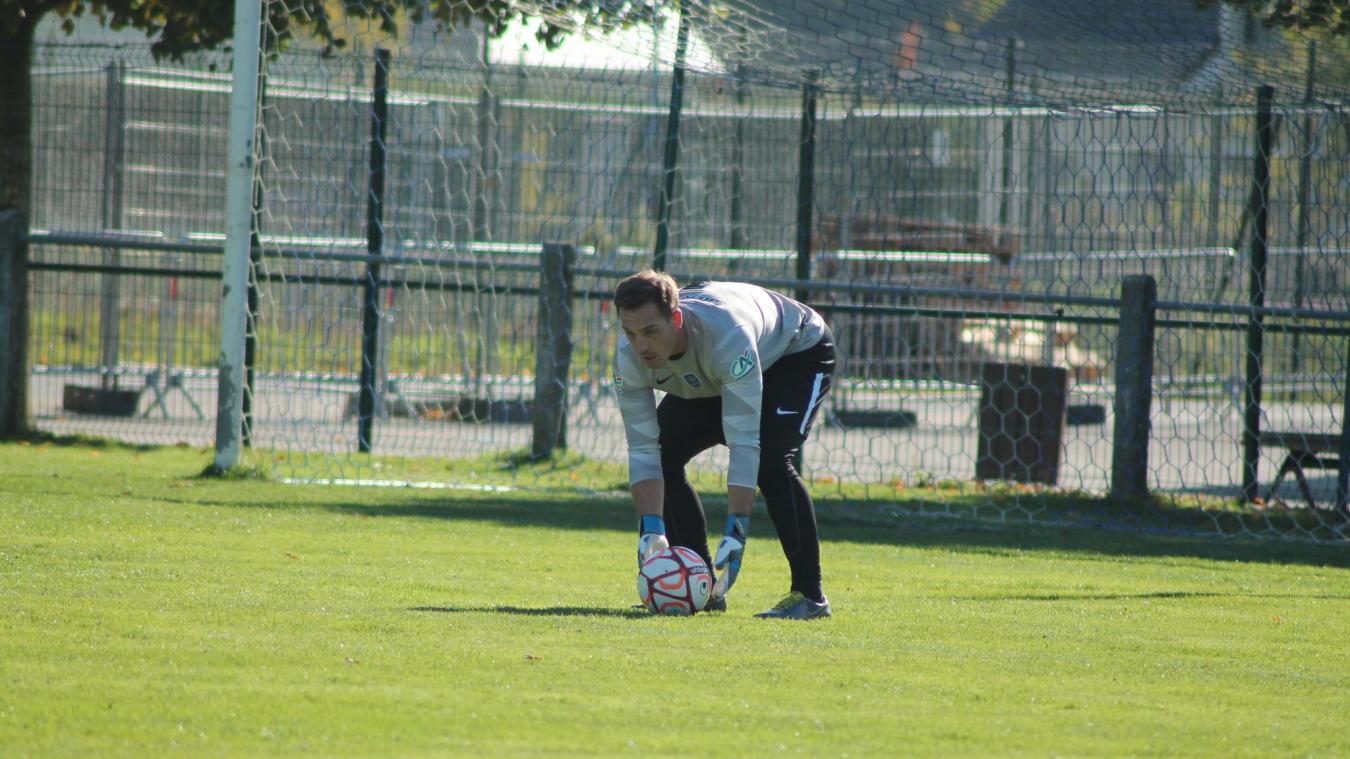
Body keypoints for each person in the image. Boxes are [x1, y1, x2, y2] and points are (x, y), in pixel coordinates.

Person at [612, 270, 835, 619]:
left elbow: (744, 444)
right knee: (665, 453)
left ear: (676, 319)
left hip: (795, 353)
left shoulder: (727, 339)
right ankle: (702, 587)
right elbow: (643, 450)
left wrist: (736, 530)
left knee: (770, 459)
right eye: (631, 333)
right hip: (716, 369)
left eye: (651, 331)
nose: (641, 345)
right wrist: (650, 527)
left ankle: (810, 596)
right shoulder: (629, 357)